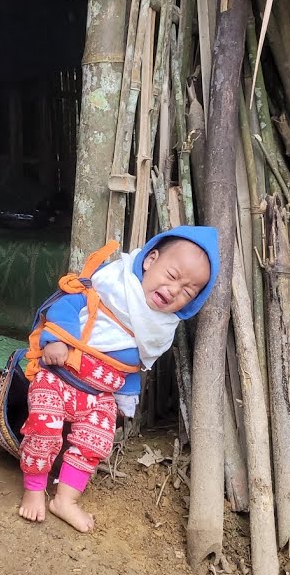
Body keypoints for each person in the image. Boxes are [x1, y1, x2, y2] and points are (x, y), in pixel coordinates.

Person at [16, 227, 220, 532]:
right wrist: (56, 340)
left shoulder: (158, 329)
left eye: (188, 291)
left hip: (98, 397)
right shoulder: (110, 285)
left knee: (95, 442)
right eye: (172, 274)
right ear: (151, 259)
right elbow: (64, 306)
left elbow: (131, 367)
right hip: (58, 377)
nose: (175, 289)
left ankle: (65, 499)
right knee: (44, 430)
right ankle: (34, 489)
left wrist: (126, 398)